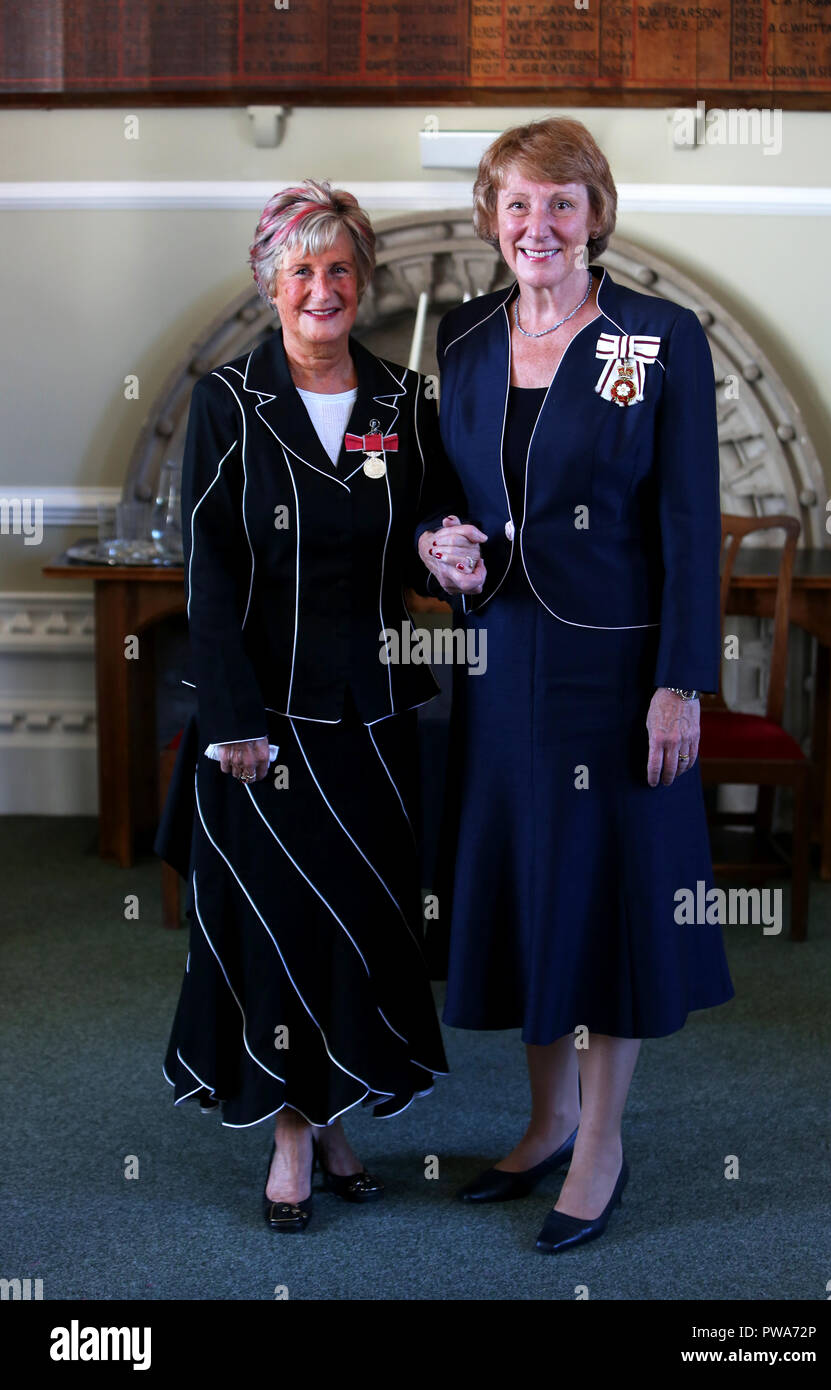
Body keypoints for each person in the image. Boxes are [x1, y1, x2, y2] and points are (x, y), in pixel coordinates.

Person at [418, 118, 734, 1254]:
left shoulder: (648, 339)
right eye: (516, 204)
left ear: (594, 213)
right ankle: (544, 1118)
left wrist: (680, 684)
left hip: (617, 673)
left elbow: (688, 524)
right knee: (519, 889)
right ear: (489, 218)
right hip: (501, 664)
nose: (536, 226)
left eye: (560, 204)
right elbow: (441, 496)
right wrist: (442, 552)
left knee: (603, 901)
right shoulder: (460, 338)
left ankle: (600, 1141)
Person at [159, 180, 483, 1233]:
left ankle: (336, 1114)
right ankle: (293, 1137)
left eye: (339, 267)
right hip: (263, 721)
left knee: (364, 923)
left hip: (374, 712)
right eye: (300, 269)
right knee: (282, 925)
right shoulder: (226, 402)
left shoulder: (402, 400)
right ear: (270, 283)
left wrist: (443, 543)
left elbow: (424, 520)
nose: (321, 286)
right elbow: (206, 573)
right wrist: (232, 720)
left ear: (363, 281)